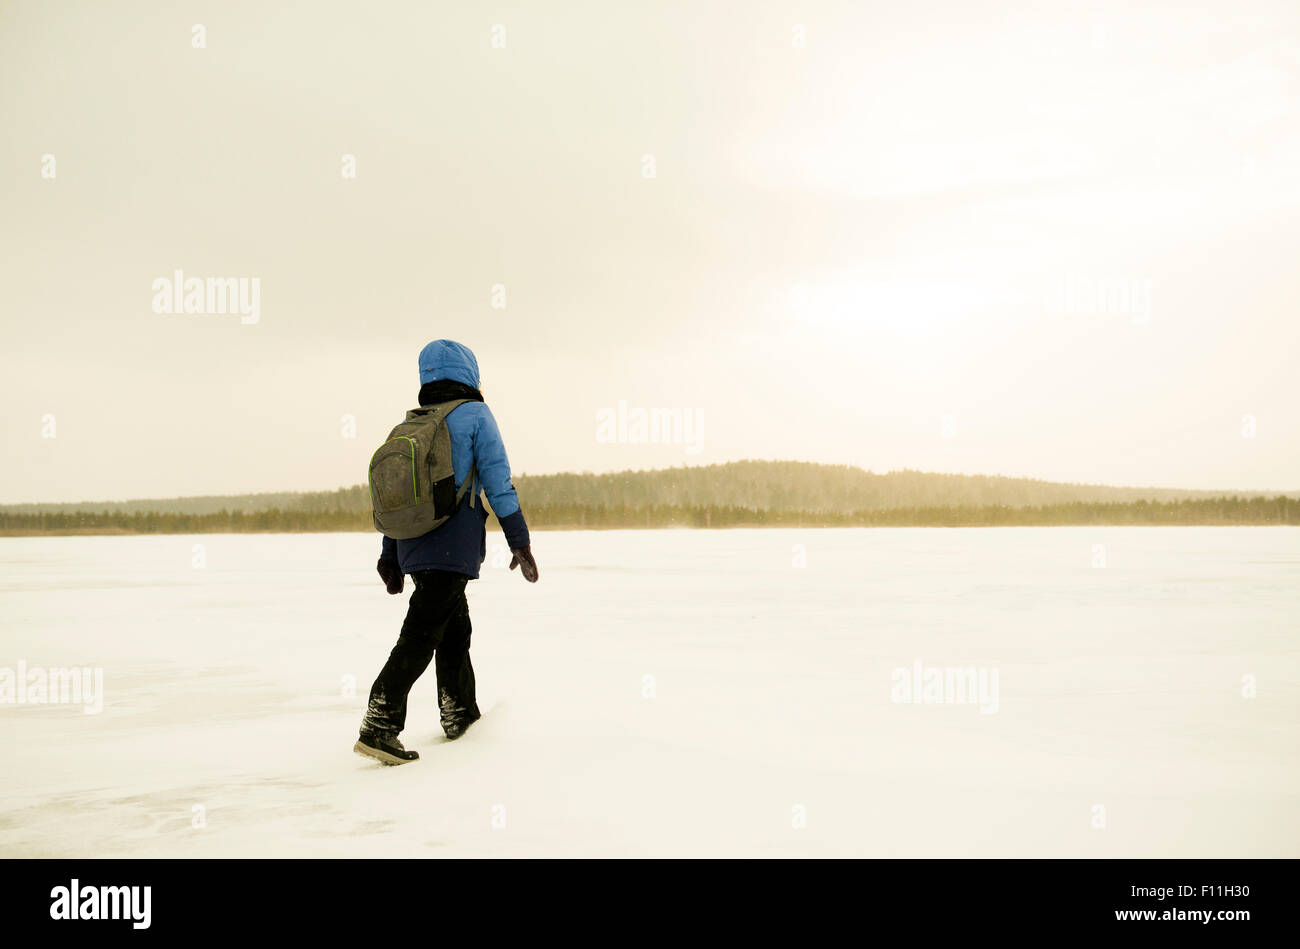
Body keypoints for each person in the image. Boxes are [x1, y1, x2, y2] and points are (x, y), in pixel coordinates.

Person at [354, 339, 538, 765]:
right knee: (422, 631)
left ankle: (460, 715)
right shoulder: (476, 415)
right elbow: (499, 483)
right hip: (452, 543)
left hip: (414, 541)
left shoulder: (412, 423)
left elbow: (395, 499)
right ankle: (379, 723)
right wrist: (519, 540)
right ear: (470, 372)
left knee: (453, 629)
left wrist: (391, 553)